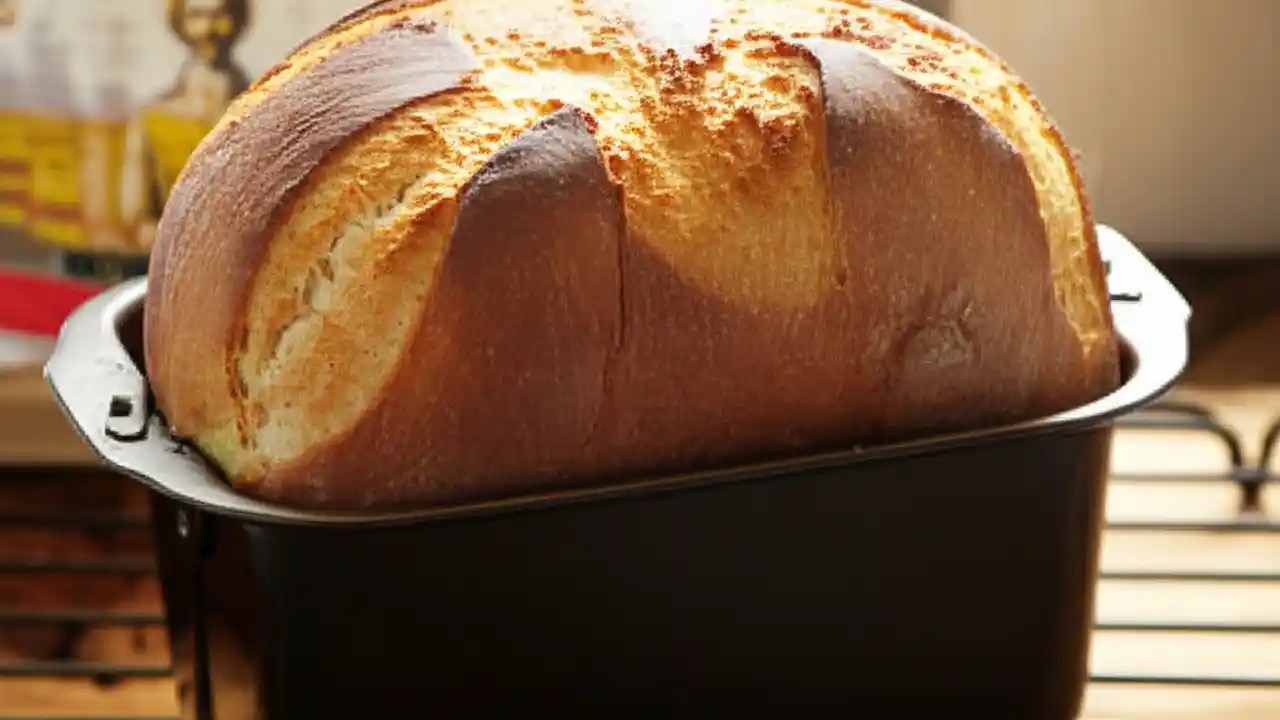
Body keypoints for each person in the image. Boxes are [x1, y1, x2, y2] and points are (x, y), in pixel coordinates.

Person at [118, 0, 250, 255]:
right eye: (197, 16)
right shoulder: (152, 120)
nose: (209, 29)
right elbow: (137, 221)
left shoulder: (260, 114)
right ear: (180, 22)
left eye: (220, 15)